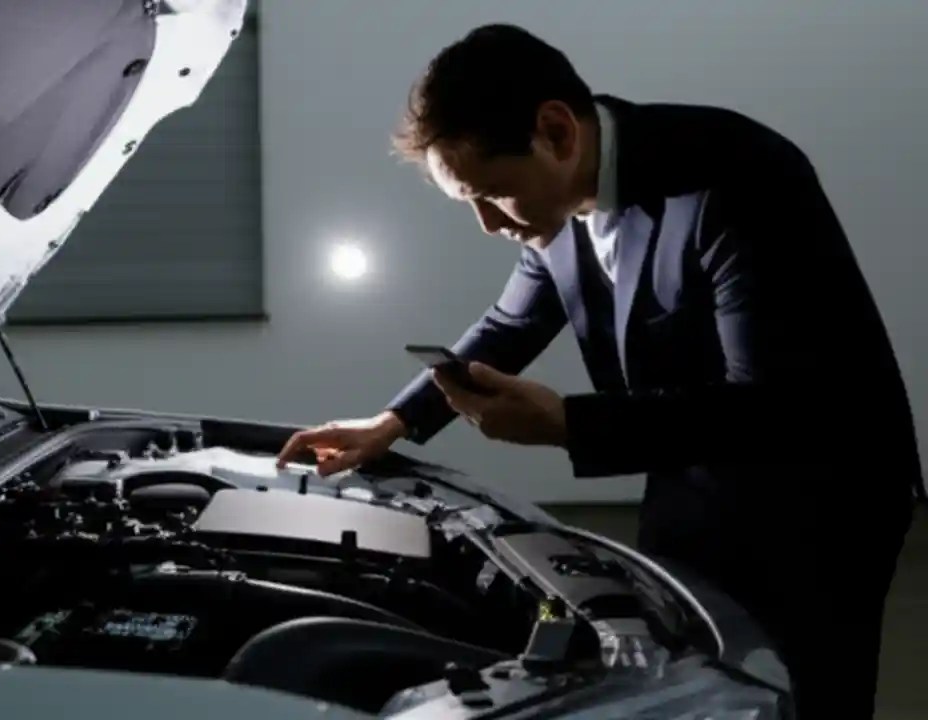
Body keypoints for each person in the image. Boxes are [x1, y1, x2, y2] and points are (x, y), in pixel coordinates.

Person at [276, 23, 921, 719]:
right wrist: (392, 422)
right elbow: (512, 322)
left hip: (818, 496)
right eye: (469, 202)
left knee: (805, 696)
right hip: (690, 474)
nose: (487, 224)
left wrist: (566, 423)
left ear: (557, 132)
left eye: (492, 194)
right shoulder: (554, 198)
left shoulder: (735, 176)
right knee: (687, 683)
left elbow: (768, 409)